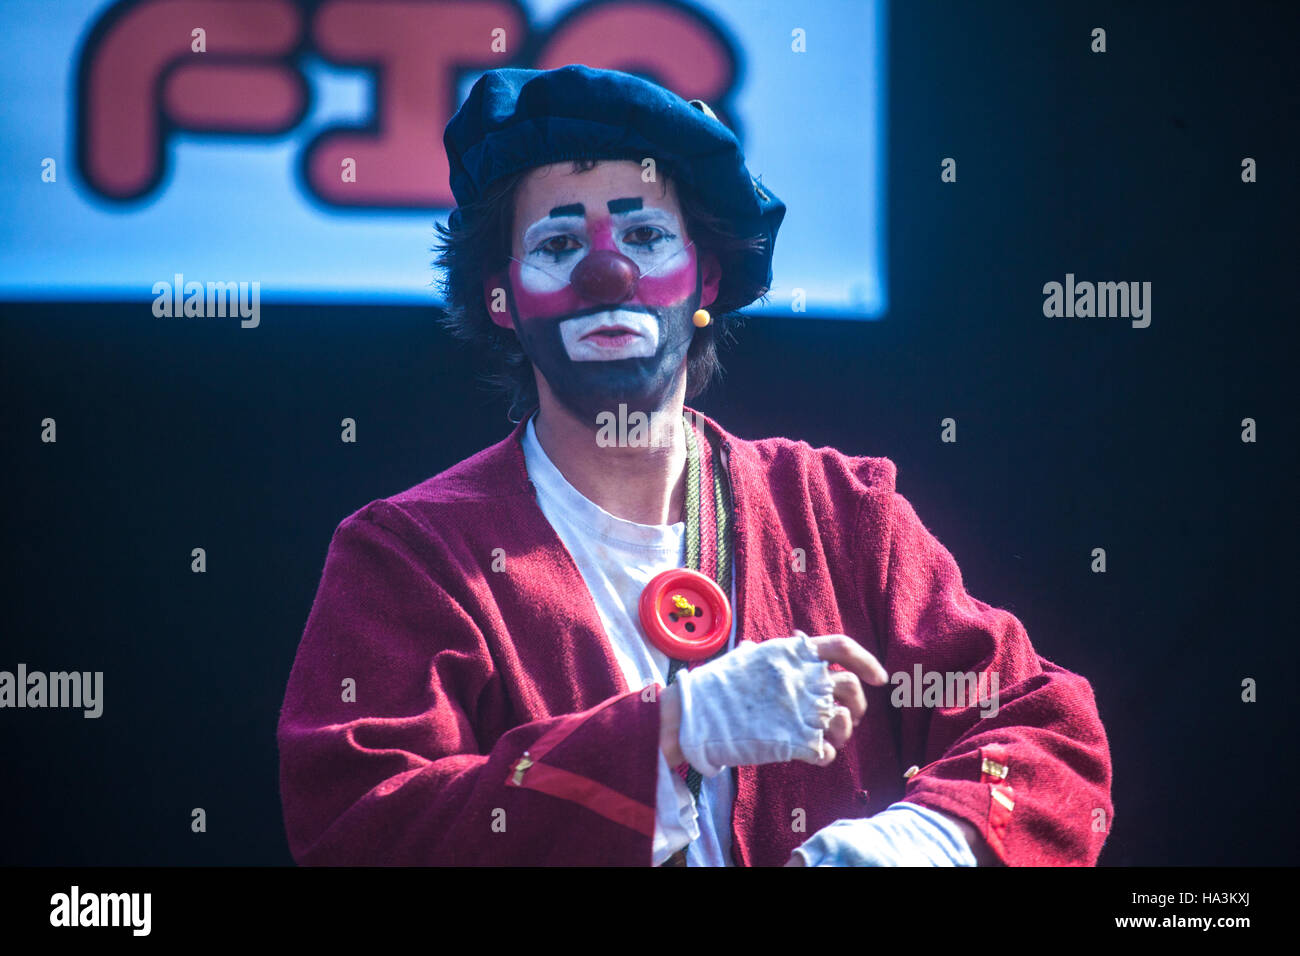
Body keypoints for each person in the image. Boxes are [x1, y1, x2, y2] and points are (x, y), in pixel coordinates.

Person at [276, 64, 1113, 867]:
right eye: (560, 243)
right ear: (501, 298)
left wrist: (933, 838)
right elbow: (363, 829)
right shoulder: (409, 555)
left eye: (644, 235)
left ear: (704, 276)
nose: (608, 271)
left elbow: (1046, 728)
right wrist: (673, 731)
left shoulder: (841, 513)